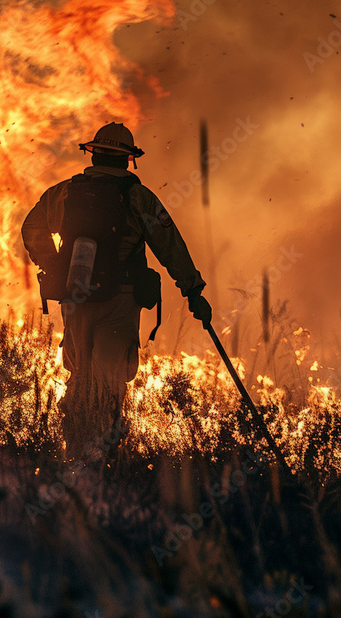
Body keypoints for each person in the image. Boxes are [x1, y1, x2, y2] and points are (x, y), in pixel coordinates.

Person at [21, 122, 211, 456]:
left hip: (76, 297)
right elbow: (171, 247)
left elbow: (32, 228)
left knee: (79, 374)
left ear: (93, 154)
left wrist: (55, 266)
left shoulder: (65, 192)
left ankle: (74, 451)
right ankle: (103, 459)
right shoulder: (139, 198)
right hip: (120, 300)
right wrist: (193, 290)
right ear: (128, 160)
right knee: (108, 380)